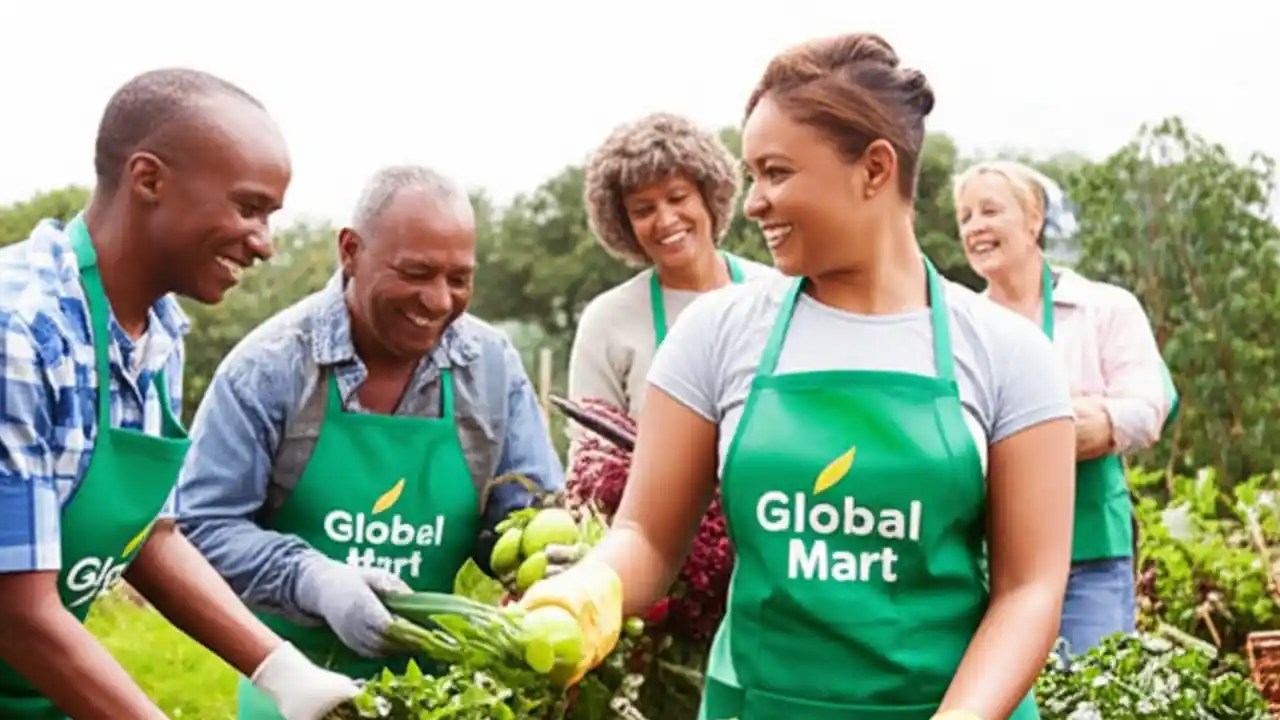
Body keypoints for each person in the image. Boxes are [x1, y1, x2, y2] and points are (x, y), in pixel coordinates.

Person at [520, 33, 1077, 720]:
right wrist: (589, 590)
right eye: (752, 175)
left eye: (776, 173)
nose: (753, 202)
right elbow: (650, 537)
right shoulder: (717, 334)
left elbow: (1029, 590)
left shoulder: (1007, 353)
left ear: (874, 169)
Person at [0, 68, 359, 720]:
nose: (264, 244)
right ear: (148, 179)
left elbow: (150, 535)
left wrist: (279, 668)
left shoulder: (155, 332)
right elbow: (16, 611)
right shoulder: (19, 332)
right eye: (248, 207)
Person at [174, 164, 566, 719]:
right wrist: (314, 580)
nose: (437, 301)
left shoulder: (490, 367)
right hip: (294, 689)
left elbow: (520, 517)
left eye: (459, 279)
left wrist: (543, 562)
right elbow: (200, 526)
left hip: (443, 696)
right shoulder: (271, 367)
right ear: (351, 251)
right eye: (416, 272)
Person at [952, 159, 1178, 656]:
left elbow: (1148, 409)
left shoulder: (1104, 307)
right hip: (990, 566)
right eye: (965, 217)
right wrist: (1061, 426)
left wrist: (1054, 429)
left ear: (1034, 220)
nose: (975, 227)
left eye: (990, 210)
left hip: (1090, 557)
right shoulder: (959, 325)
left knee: (1092, 699)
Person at [567, 112, 776, 426]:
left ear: (709, 195)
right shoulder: (608, 321)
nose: (666, 220)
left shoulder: (776, 294)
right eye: (644, 210)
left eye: (677, 197)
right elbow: (591, 454)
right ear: (624, 224)